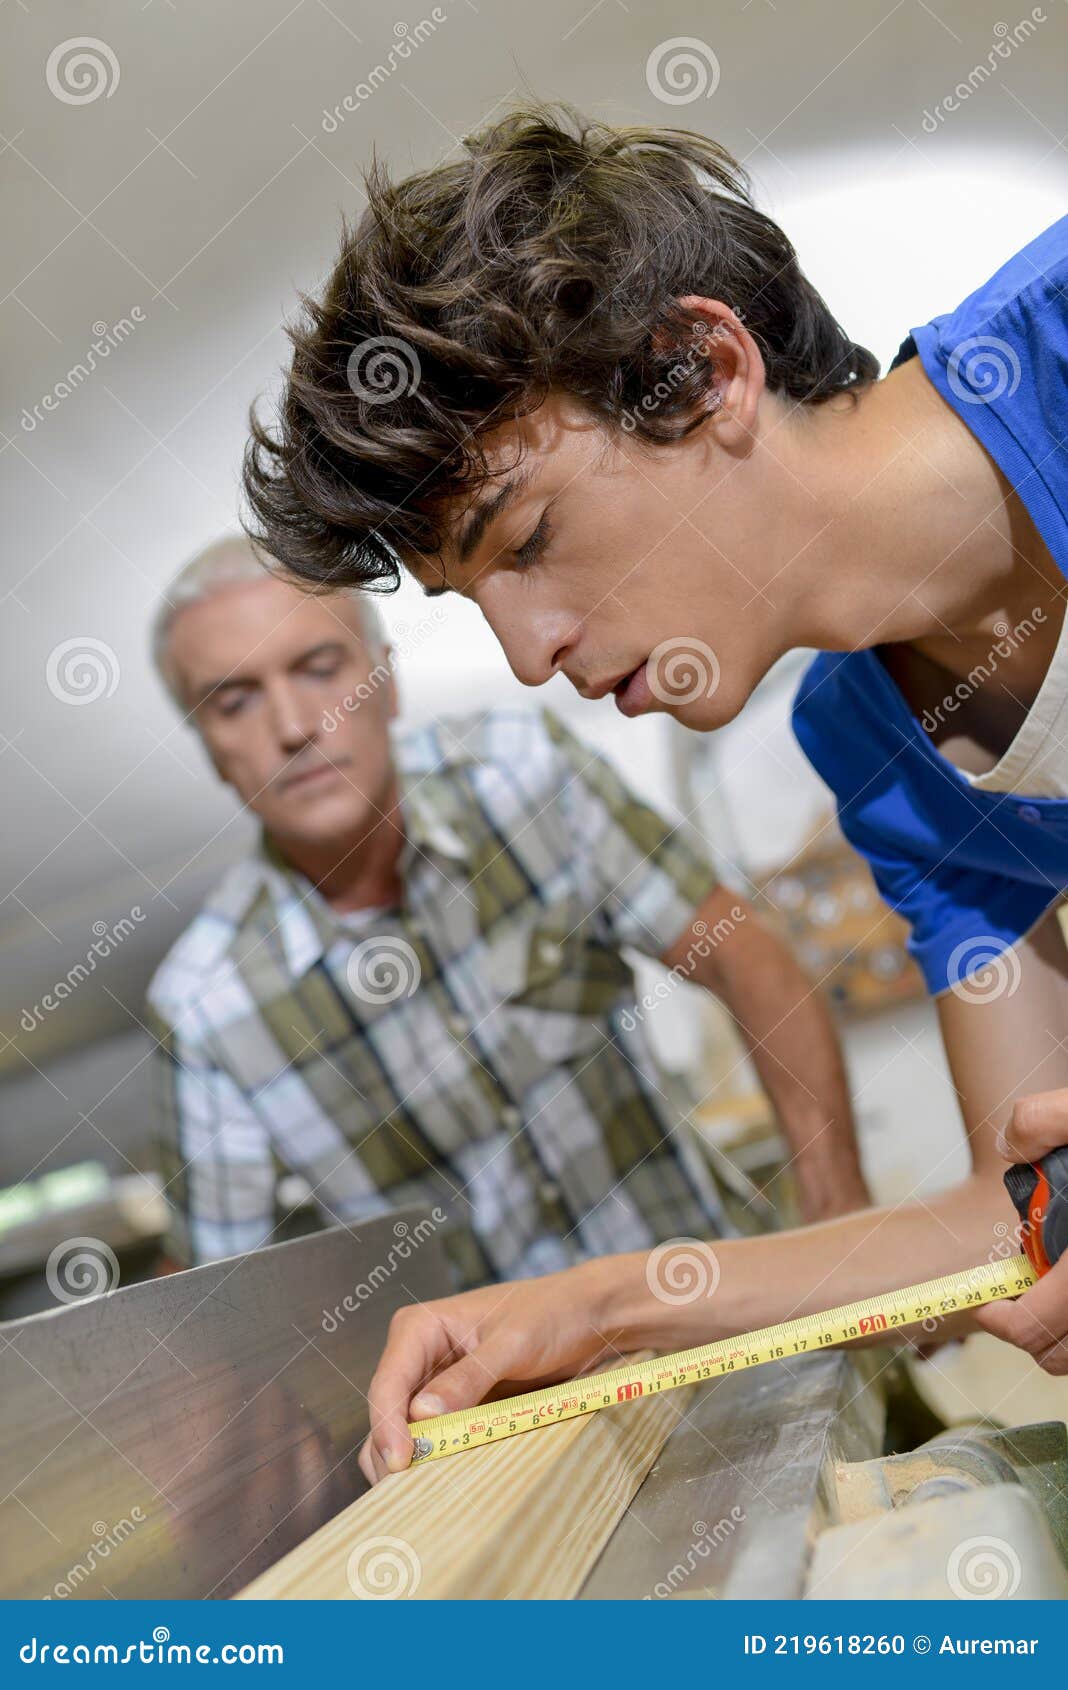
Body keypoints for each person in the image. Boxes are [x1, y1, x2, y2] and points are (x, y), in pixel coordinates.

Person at [240, 103, 1068, 1477]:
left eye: (529, 541)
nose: (529, 653)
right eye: (474, 600)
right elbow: (1020, 1215)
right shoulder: (875, 748)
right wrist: (606, 1304)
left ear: (702, 370)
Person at [145, 535, 865, 1286]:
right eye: (234, 702)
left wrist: (840, 1218)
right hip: (498, 1368)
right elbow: (220, 1301)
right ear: (209, 748)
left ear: (386, 683)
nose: (293, 726)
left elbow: (744, 959)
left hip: (713, 1298)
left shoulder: (526, 776)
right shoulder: (205, 1010)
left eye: (320, 668)